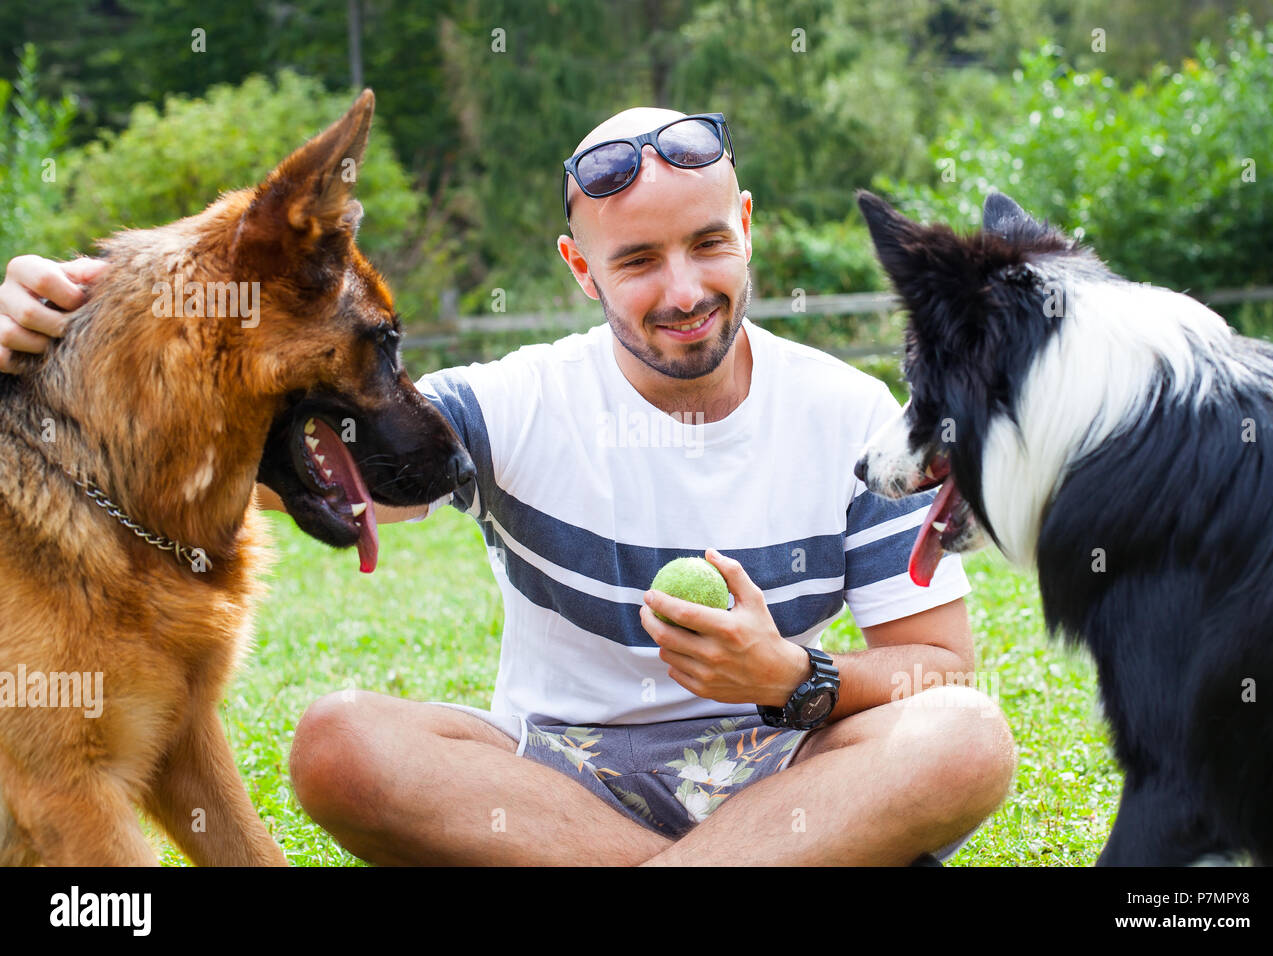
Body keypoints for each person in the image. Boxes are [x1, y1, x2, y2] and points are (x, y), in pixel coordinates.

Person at [0, 108, 1015, 866]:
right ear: (582, 268)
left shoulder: (852, 414)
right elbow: (213, 439)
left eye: (707, 242)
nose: (683, 290)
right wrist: (55, 350)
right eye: (638, 259)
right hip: (560, 796)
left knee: (964, 736)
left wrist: (789, 674)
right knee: (340, 739)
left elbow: (938, 671)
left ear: (744, 226)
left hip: (789, 780)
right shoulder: (517, 399)